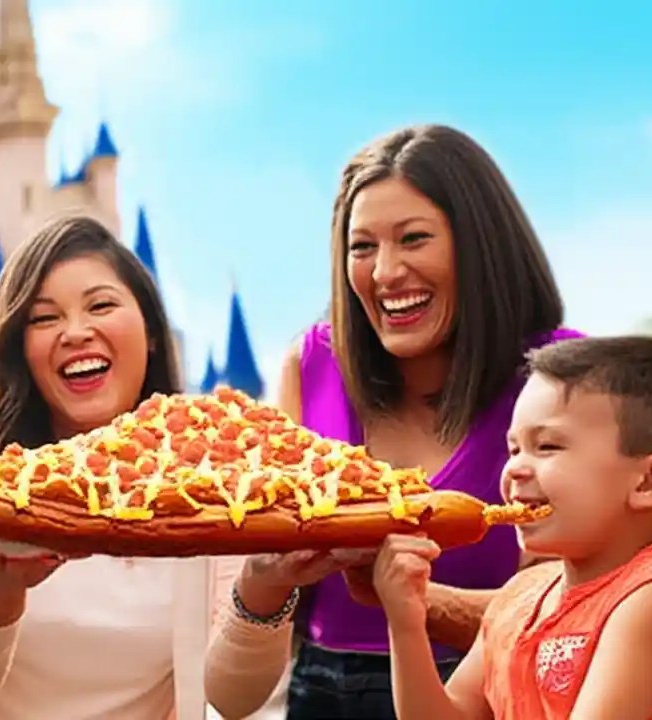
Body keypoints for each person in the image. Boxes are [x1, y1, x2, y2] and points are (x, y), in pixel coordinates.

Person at [204, 123, 584, 719]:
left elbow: (577, 609)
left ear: (478, 243)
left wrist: (416, 604)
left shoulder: (560, 376)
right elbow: (245, 656)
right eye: (362, 247)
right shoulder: (311, 366)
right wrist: (269, 576)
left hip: (492, 692)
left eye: (414, 239)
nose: (385, 273)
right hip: (323, 689)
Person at [0, 214, 324, 720]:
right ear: (19, 346)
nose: (76, 332)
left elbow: (233, 699)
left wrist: (266, 585)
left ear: (150, 331)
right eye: (44, 318)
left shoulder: (214, 479)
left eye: (101, 305)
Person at [374, 335, 652, 718]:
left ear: (650, 481)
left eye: (548, 446)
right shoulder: (522, 595)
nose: (514, 469)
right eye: (514, 449)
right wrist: (406, 621)